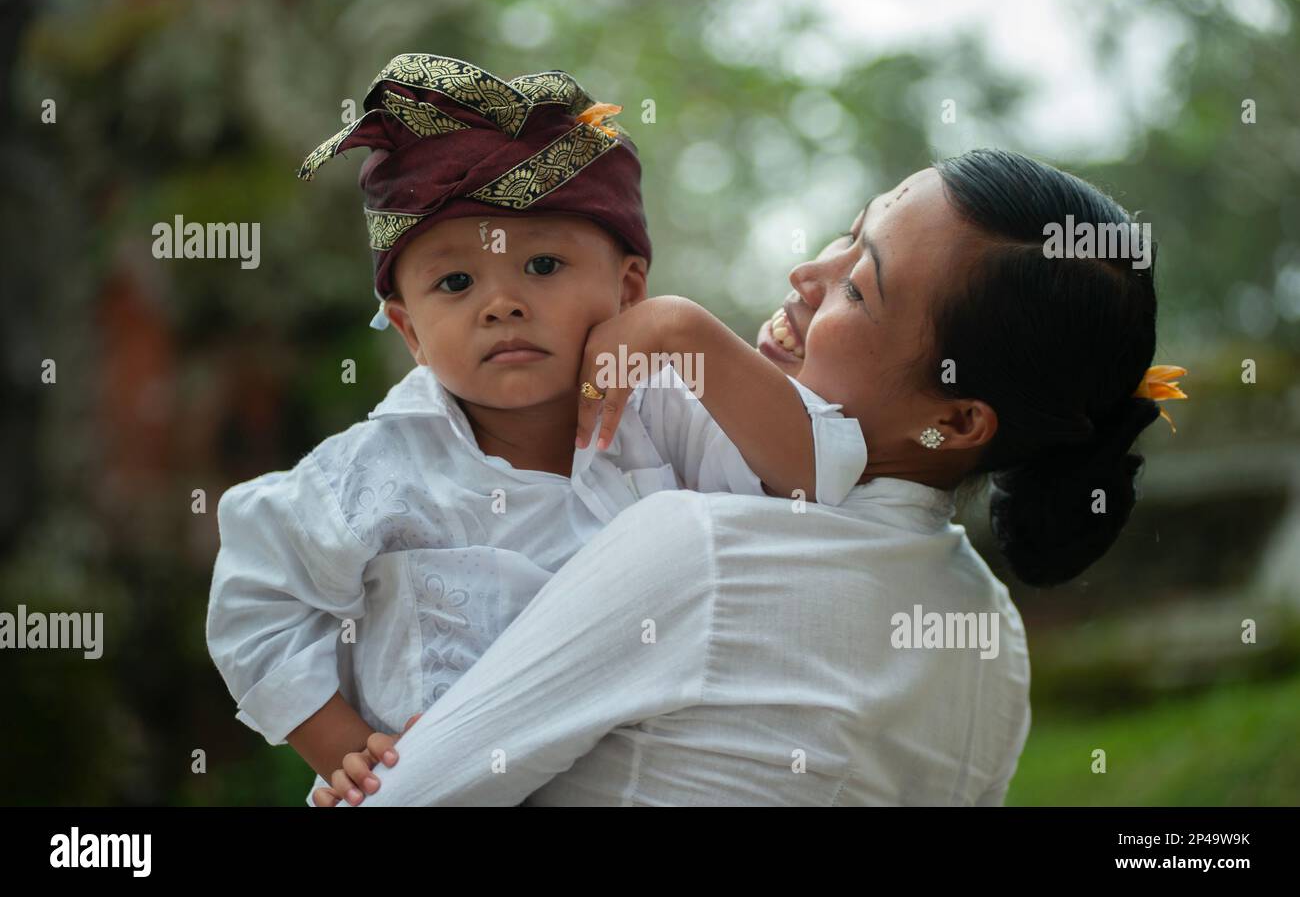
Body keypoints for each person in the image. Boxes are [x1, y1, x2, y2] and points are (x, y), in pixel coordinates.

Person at [318, 149, 1188, 806]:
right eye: (849, 233)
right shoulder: (992, 642)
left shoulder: (700, 550)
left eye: (861, 287)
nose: (808, 276)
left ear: (957, 420)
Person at [205, 53, 869, 803]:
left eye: (544, 264)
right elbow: (255, 600)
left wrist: (684, 333)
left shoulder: (669, 418)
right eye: (455, 282)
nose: (501, 303)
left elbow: (822, 473)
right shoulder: (374, 471)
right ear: (410, 332)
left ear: (628, 290)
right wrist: (346, 749)